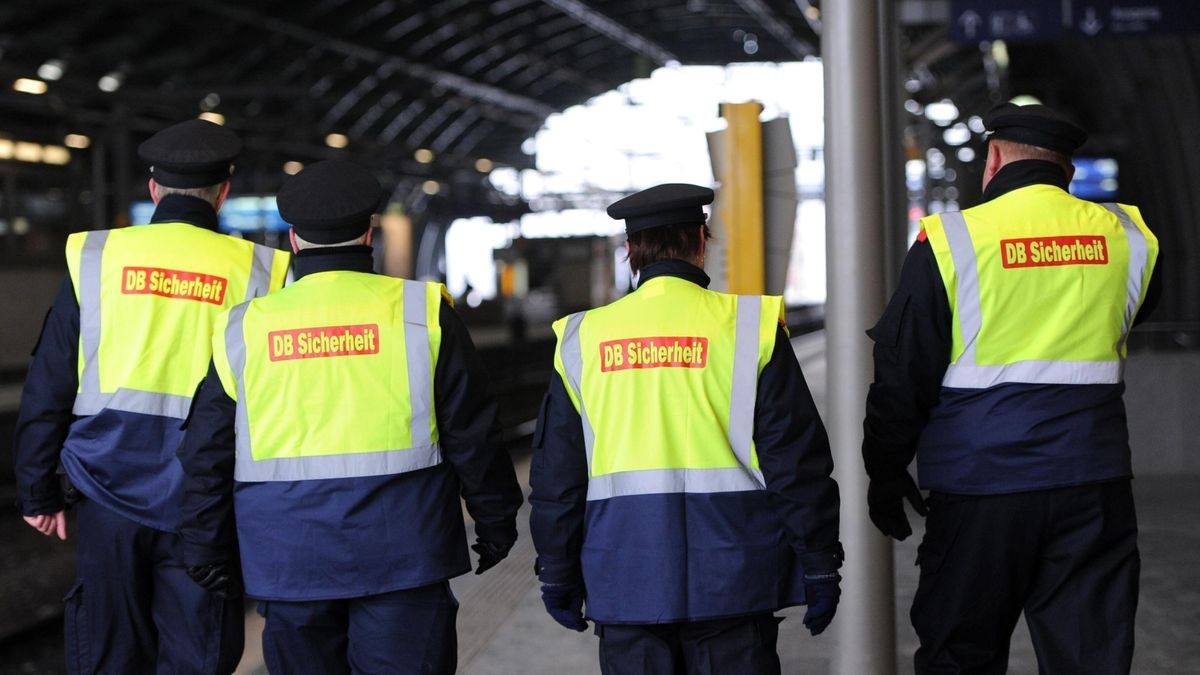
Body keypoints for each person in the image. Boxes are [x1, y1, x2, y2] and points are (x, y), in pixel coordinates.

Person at [176, 159, 523, 674]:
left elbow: (206, 451)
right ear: (369, 231)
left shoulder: (245, 327)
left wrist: (205, 544)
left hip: (289, 559)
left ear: (293, 240)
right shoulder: (421, 311)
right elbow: (472, 430)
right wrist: (495, 517)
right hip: (406, 554)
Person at [863, 102, 1161, 674]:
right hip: (1092, 489)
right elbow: (1134, 310)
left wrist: (885, 467)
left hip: (979, 491)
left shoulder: (951, 240)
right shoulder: (1128, 236)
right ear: (1067, 172)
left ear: (994, 159)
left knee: (960, 656)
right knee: (1091, 659)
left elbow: (903, 373)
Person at [13, 118, 290, 673]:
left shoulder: (97, 258)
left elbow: (51, 377)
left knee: (110, 651)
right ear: (224, 193)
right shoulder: (260, 271)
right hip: (208, 501)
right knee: (197, 651)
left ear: (154, 190)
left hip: (105, 489)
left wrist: (37, 488)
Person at [530, 183, 843, 674]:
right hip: (735, 579)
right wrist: (820, 556)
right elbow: (795, 461)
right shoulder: (748, 326)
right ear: (701, 241)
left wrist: (556, 569)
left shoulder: (582, 338)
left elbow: (557, 476)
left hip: (624, 577)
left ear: (630, 250)